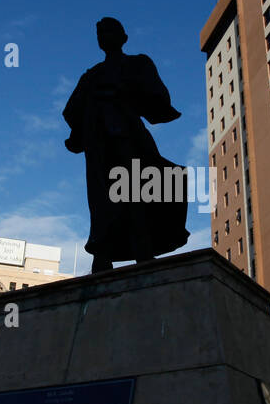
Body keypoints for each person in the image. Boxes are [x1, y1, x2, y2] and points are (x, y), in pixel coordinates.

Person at [62, 17, 190, 273]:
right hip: (100, 144)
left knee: (140, 191)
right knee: (103, 200)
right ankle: (103, 255)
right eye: (99, 32)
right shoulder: (91, 76)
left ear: (123, 37)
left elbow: (159, 97)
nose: (103, 35)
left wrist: (124, 90)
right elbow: (71, 110)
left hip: (130, 138)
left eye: (109, 31)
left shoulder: (137, 63)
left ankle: (143, 249)